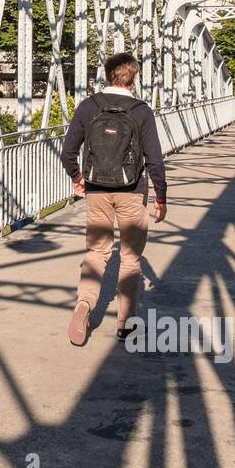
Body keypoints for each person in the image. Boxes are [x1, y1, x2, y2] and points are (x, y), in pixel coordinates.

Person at [61, 52, 167, 347]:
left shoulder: (88, 106)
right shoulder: (141, 111)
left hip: (96, 189)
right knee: (131, 259)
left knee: (96, 252)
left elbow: (68, 152)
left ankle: (84, 305)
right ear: (134, 78)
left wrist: (77, 177)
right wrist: (161, 195)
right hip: (132, 191)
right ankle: (125, 324)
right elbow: (155, 159)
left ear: (107, 75)